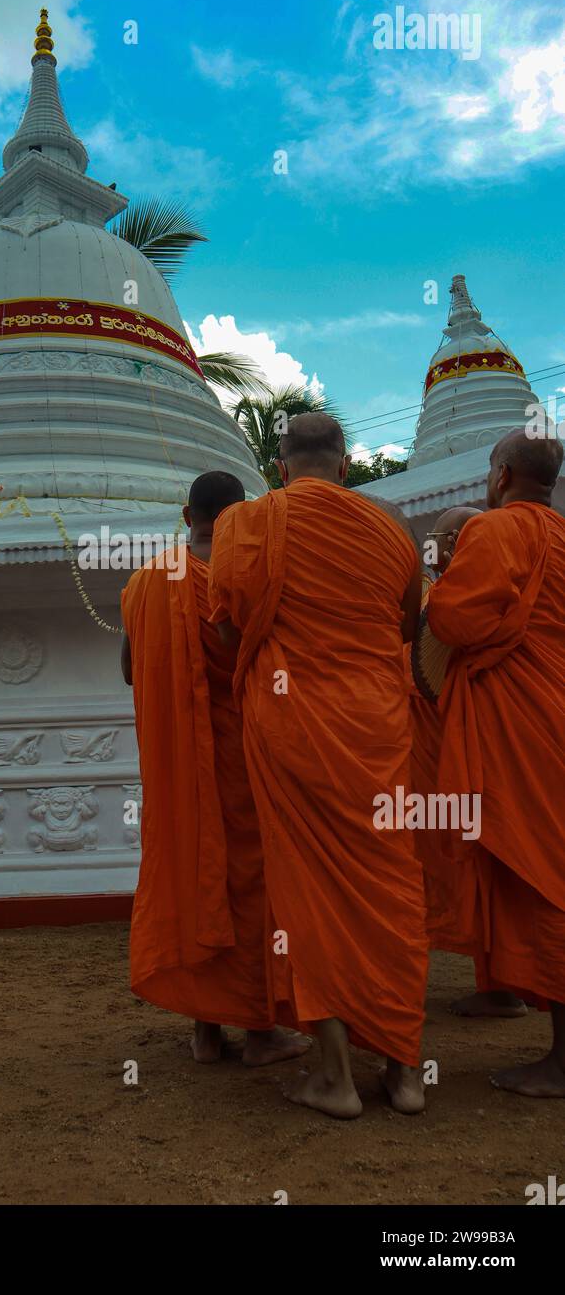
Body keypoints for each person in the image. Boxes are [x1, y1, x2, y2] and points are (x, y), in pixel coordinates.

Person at [209, 413, 429, 1119]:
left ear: (280, 465)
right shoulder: (391, 526)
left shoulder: (250, 521)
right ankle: (404, 1072)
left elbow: (229, 622)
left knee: (308, 891)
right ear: (345, 464)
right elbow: (408, 623)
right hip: (377, 725)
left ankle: (334, 1078)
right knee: (392, 883)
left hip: (294, 724)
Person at [121, 470, 309, 1066]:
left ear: (185, 515)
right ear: (240, 516)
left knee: (192, 880)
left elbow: (130, 669)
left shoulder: (146, 582)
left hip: (179, 773)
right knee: (252, 886)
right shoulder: (246, 577)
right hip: (246, 763)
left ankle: (205, 1032)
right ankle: (259, 1031)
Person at [426, 428, 565, 1096]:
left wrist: (438, 586)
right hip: (552, 716)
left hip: (521, 728)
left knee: (544, 877)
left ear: (502, 474)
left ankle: (563, 1061)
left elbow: (453, 622)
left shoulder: (494, 532)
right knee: (543, 866)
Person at [409, 507, 526, 1019]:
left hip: (462, 749)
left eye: (438, 543)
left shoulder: (457, 603)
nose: (430, 554)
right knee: (460, 861)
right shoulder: (447, 597)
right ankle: (496, 981)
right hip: (441, 750)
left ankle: (503, 984)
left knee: (476, 860)